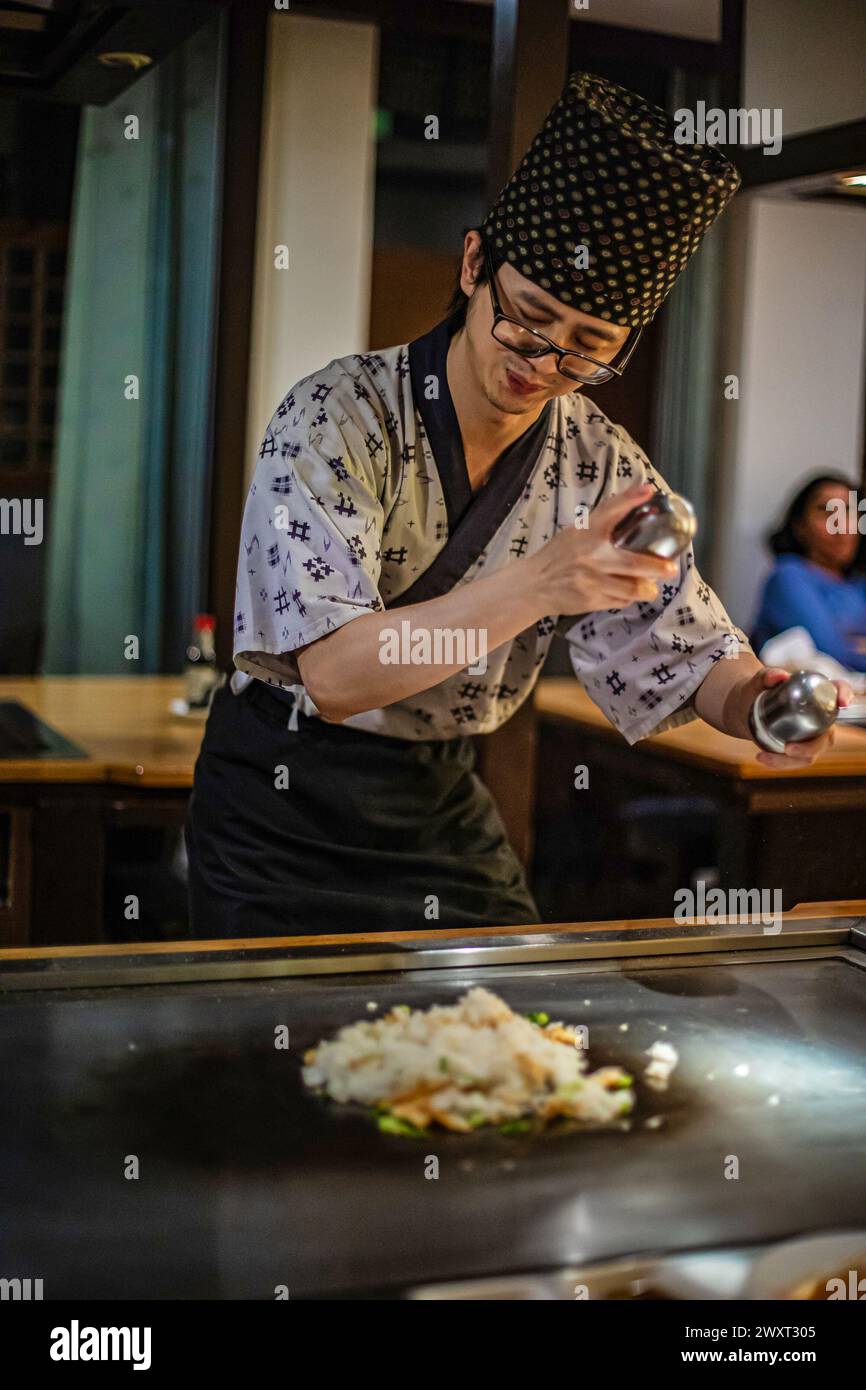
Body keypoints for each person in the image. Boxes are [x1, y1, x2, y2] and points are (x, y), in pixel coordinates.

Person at [185, 72, 852, 939]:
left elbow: (684, 649)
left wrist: (760, 703)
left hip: (436, 801)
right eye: (527, 320)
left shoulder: (599, 461)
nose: (541, 364)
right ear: (474, 267)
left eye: (586, 350)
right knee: (271, 1054)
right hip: (276, 798)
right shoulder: (336, 415)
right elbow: (337, 676)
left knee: (508, 1034)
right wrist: (541, 583)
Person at [751, 474, 866, 671]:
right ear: (800, 527)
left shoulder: (859, 585)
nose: (840, 525)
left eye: (849, 511)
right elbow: (831, 653)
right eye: (826, 511)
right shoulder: (788, 576)